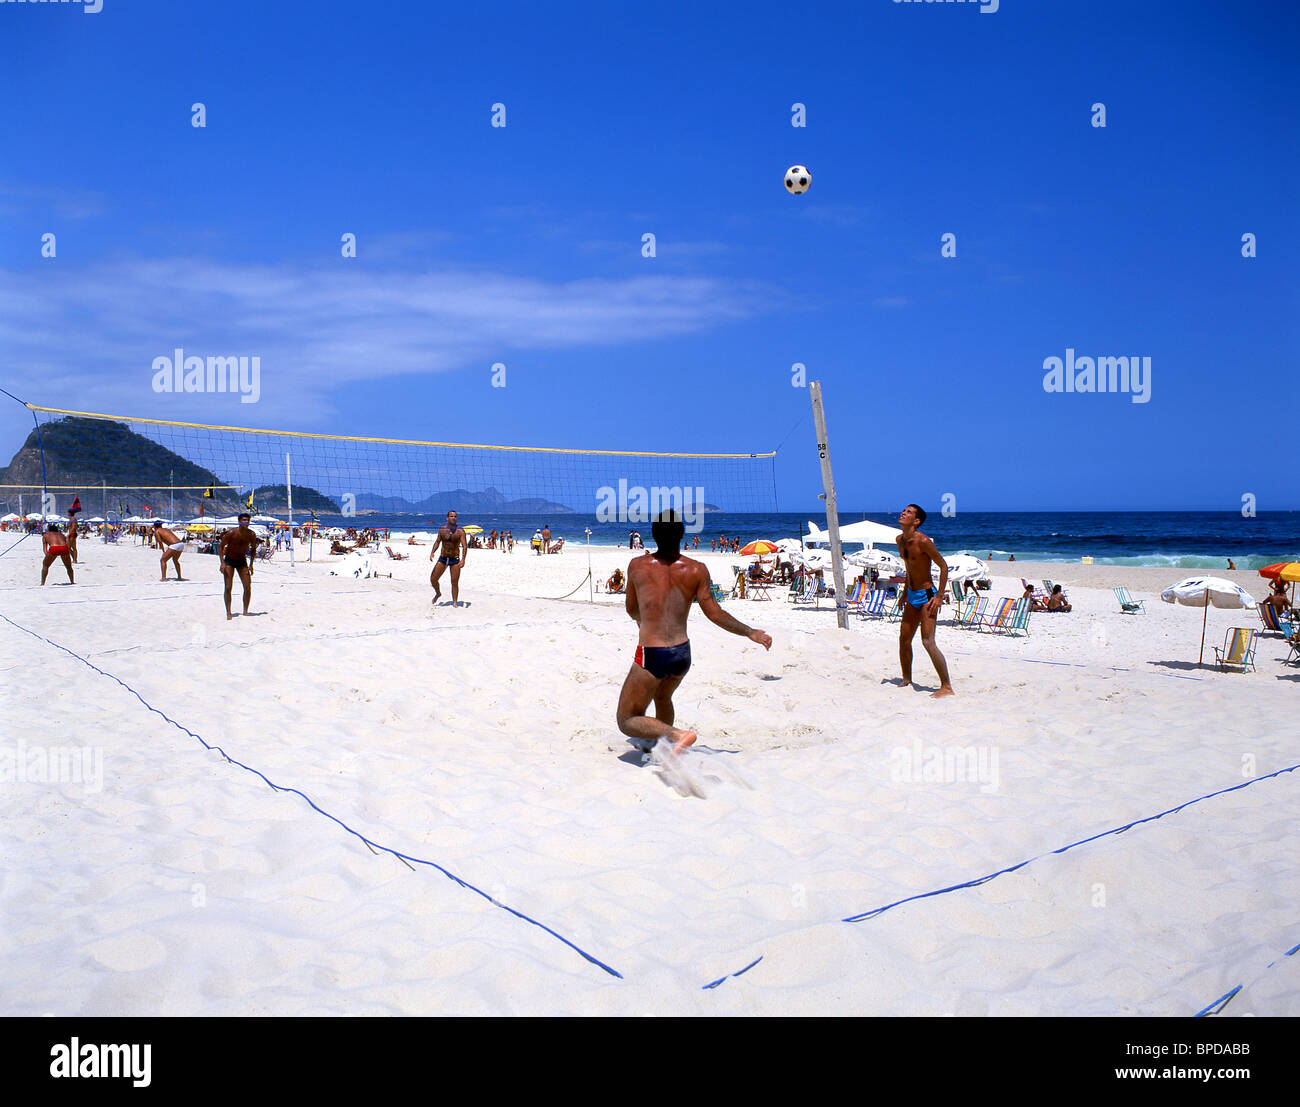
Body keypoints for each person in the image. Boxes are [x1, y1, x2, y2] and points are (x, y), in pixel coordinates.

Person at [616, 511, 772, 754]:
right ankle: (666, 747)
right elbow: (715, 613)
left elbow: (631, 609)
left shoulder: (637, 565)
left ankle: (676, 734)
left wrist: (642, 619)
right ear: (682, 535)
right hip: (681, 655)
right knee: (663, 698)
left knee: (626, 719)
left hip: (652, 654)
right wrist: (750, 632)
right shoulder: (697, 569)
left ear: (654, 535)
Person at [895, 504, 954, 697]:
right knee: (904, 639)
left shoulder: (924, 541)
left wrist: (939, 596)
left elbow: (943, 567)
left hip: (927, 596)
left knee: (928, 641)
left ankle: (946, 686)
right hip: (912, 594)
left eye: (909, 512)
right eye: (904, 510)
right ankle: (906, 678)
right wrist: (905, 593)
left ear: (917, 521)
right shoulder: (899, 540)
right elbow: (909, 569)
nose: (904, 513)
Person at [217, 514, 260, 620]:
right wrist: (222, 563)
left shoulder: (251, 534)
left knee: (247, 587)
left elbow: (253, 549)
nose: (246, 522)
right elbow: (221, 546)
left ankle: (245, 610)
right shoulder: (232, 533)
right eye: (244, 520)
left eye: (248, 520)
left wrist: (251, 564)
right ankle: (228, 612)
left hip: (242, 561)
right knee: (228, 587)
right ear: (239, 521)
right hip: (229, 561)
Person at [430, 509, 468, 605]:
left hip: (454, 559)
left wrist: (463, 559)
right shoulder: (442, 529)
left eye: (455, 516)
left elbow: (464, 546)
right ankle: (438, 593)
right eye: (451, 516)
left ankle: (455, 602)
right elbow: (437, 541)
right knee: (433, 579)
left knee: (454, 582)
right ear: (447, 518)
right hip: (443, 558)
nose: (453, 518)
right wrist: (432, 552)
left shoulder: (460, 531)